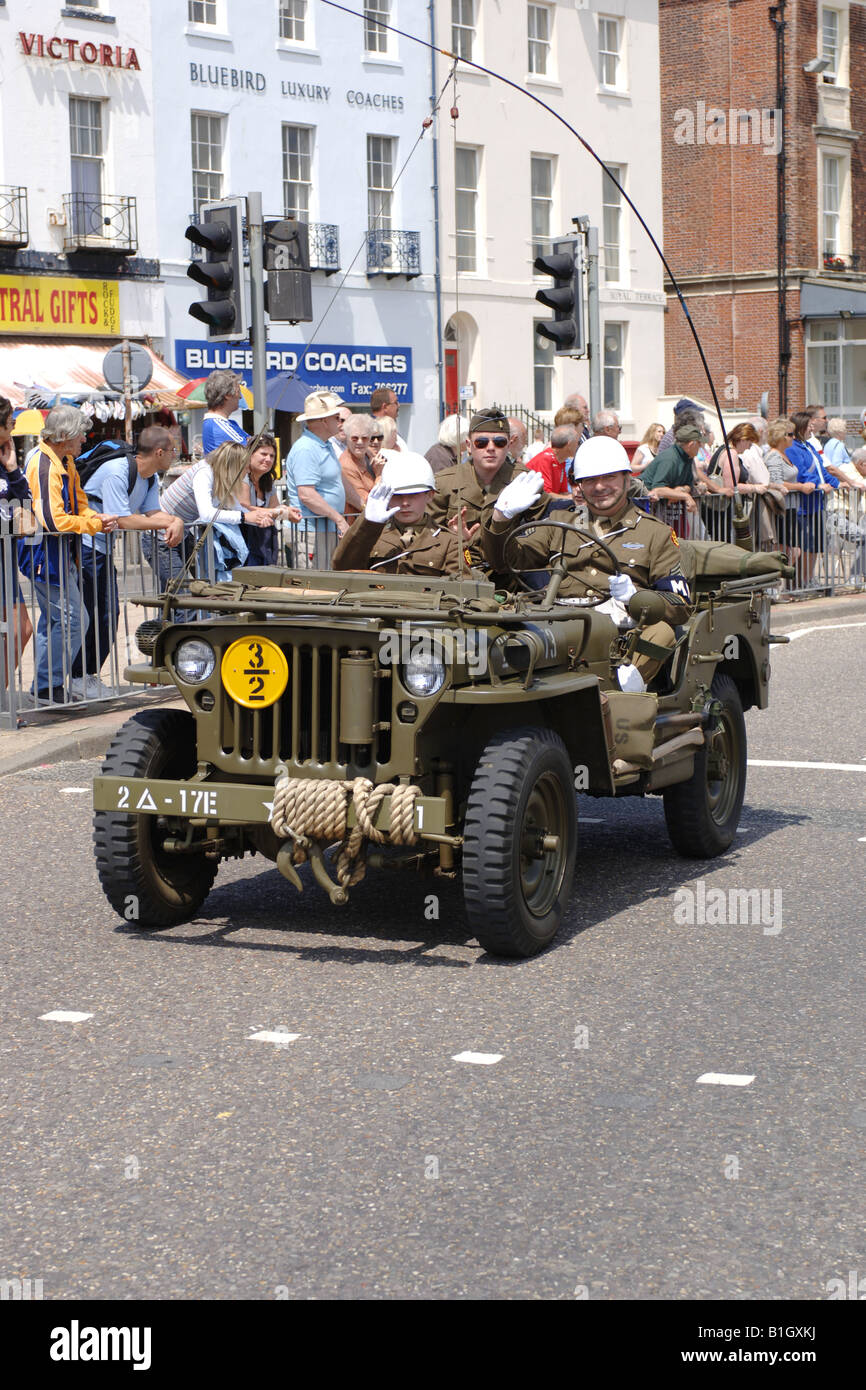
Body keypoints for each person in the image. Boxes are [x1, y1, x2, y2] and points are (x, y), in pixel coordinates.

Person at [483, 435, 693, 688]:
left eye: (609, 477)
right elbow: (504, 562)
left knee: (663, 632)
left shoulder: (654, 533)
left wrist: (635, 597)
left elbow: (680, 605)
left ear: (628, 480)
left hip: (621, 635)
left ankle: (624, 692)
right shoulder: (560, 523)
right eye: (590, 480)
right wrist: (502, 517)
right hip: (560, 625)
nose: (600, 486)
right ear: (580, 486)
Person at [76, 426, 187, 695]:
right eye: (173, 450)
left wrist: (176, 520)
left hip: (102, 548)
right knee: (97, 614)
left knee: (107, 612)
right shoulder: (118, 471)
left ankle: (86, 675)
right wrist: (168, 521)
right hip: (85, 546)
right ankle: (79, 677)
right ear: (159, 452)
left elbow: (153, 513)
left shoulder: (148, 477)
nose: (175, 455)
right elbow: (122, 518)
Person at [20, 406, 118, 703]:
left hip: (61, 555)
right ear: (64, 436)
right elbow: (53, 520)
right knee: (73, 620)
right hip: (45, 555)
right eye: (80, 434)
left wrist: (95, 519)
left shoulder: (64, 461)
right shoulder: (45, 464)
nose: (85, 439)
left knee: (62, 621)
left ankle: (46, 686)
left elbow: (79, 502)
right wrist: (94, 523)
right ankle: (47, 687)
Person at [160, 440, 275, 581]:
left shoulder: (223, 479)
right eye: (245, 467)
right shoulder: (204, 473)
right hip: (161, 537)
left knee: (206, 586)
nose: (248, 471)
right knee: (177, 590)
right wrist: (245, 517)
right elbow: (207, 513)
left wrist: (260, 518)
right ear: (234, 466)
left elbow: (238, 508)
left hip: (182, 535)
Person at [332, 451, 462, 575]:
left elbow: (459, 589)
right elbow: (342, 567)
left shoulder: (449, 542)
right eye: (397, 495)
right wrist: (367, 523)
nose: (405, 503)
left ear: (430, 495)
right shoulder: (372, 535)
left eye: (413, 495)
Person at [427, 407, 525, 565]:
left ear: (509, 444)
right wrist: (452, 539)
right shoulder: (444, 484)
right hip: (459, 573)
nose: (491, 448)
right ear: (468, 445)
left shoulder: (523, 481)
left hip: (510, 573)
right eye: (481, 442)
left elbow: (541, 532)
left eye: (499, 442)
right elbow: (428, 536)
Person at [284, 390, 348, 567]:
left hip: (321, 530)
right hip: (310, 533)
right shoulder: (306, 449)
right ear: (324, 420)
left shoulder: (323, 445)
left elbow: (338, 482)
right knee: (312, 587)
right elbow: (306, 495)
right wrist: (339, 519)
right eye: (337, 417)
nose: (340, 422)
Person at [0, 395, 33, 686]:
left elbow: (26, 503)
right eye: (9, 423)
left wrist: (12, 469)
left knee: (22, 629)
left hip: (6, 556)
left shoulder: (4, 460)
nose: (12, 428)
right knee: (12, 629)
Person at [786, 410, 834, 585]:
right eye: (809, 425)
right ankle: (801, 580)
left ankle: (809, 578)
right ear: (801, 427)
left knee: (816, 545)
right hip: (803, 505)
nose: (812, 427)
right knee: (805, 546)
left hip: (817, 503)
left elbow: (822, 470)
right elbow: (802, 472)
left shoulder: (810, 446)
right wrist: (818, 484)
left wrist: (836, 483)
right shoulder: (793, 448)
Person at [239, 434, 302, 566]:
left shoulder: (267, 481)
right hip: (244, 539)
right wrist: (281, 513)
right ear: (250, 455)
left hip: (264, 540)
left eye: (272, 456)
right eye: (263, 454)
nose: (268, 459)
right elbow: (245, 507)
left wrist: (286, 510)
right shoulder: (243, 477)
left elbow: (275, 507)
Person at [340, 414, 381, 518]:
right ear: (347, 437)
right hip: (358, 525)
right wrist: (379, 475)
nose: (360, 442)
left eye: (365, 438)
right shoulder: (346, 466)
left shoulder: (370, 454)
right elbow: (369, 503)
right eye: (354, 438)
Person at [201, 370, 249, 453]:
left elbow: (253, 442)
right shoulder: (217, 425)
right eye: (238, 392)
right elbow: (254, 452)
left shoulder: (227, 423)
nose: (240, 397)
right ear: (227, 395)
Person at [526, 424, 579, 495]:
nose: (578, 446)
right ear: (569, 444)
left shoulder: (561, 461)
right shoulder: (545, 459)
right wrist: (571, 498)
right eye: (577, 443)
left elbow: (563, 492)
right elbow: (547, 495)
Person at [369, 386, 408, 450]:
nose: (398, 405)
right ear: (385, 407)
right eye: (396, 402)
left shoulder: (391, 429)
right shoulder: (371, 431)